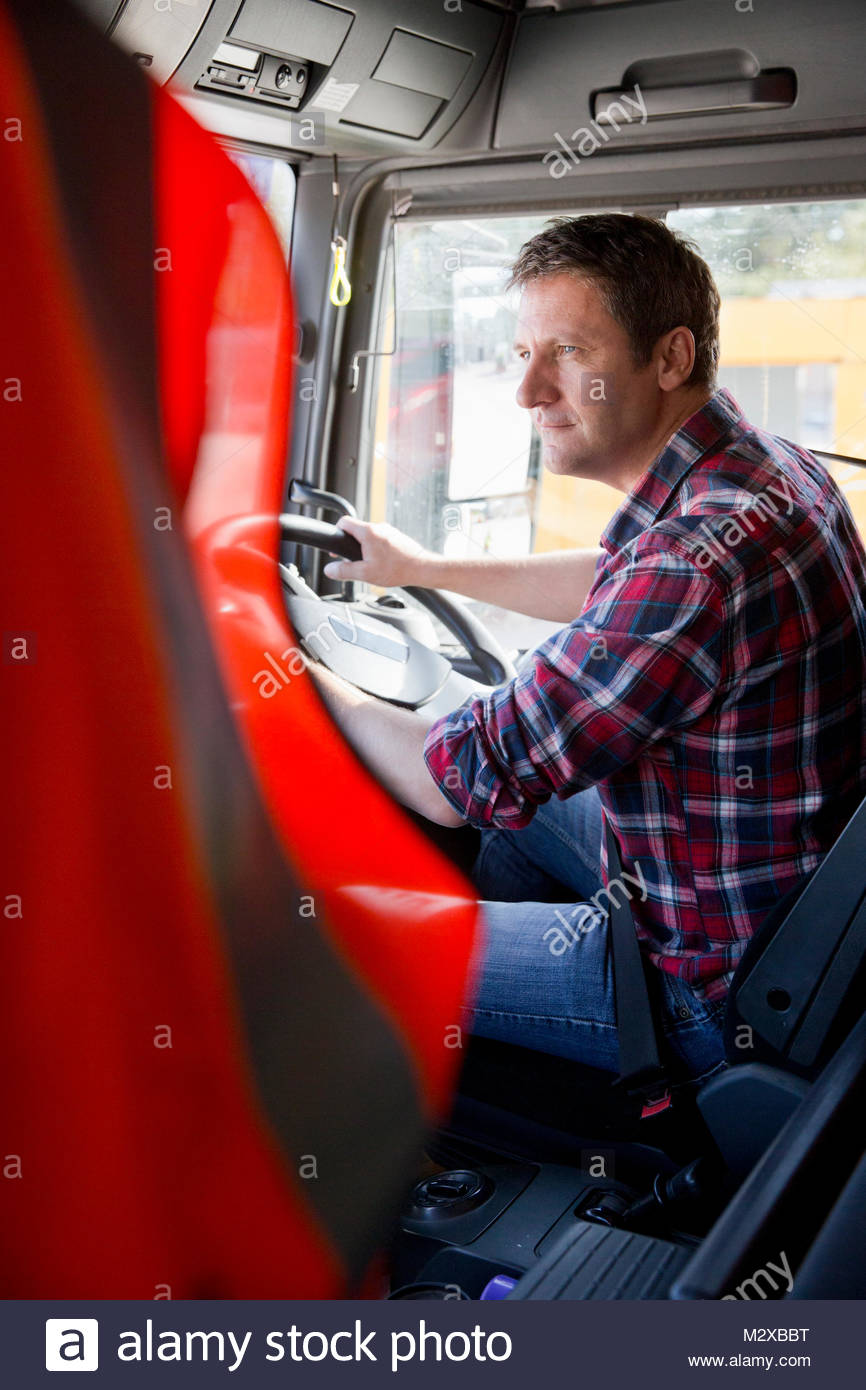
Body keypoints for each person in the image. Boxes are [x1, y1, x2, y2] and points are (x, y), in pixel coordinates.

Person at [309, 213, 866, 1089]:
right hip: (786, 925)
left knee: (318, 926)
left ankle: (607, 1062)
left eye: (566, 353)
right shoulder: (765, 470)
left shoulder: (693, 563)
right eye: (524, 353)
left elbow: (453, 783)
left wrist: (296, 677)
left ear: (671, 359)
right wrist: (418, 566)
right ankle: (533, 1077)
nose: (528, 392)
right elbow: (619, 581)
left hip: (712, 993)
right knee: (522, 829)